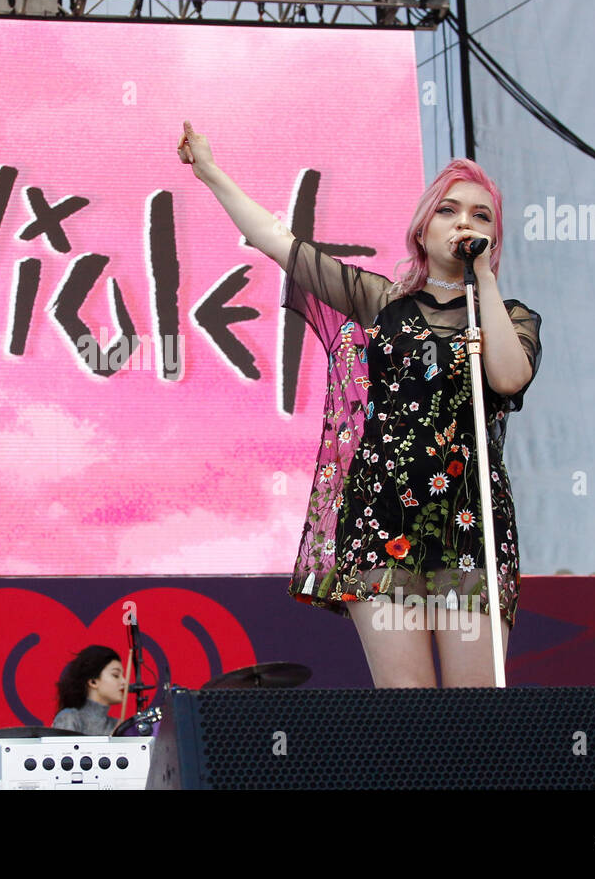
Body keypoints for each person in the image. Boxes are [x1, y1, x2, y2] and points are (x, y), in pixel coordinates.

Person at [177, 121, 542, 688]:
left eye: (480, 215)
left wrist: (484, 282)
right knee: (408, 711)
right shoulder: (380, 302)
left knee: (478, 719)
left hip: (471, 526)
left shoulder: (510, 316)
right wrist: (210, 172)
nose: (464, 223)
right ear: (423, 231)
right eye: (448, 211)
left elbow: (508, 377)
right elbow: (279, 242)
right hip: (383, 519)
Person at [50, 645, 126, 734]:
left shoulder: (118, 725)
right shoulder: (69, 717)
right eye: (115, 675)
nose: (124, 681)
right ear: (93, 682)